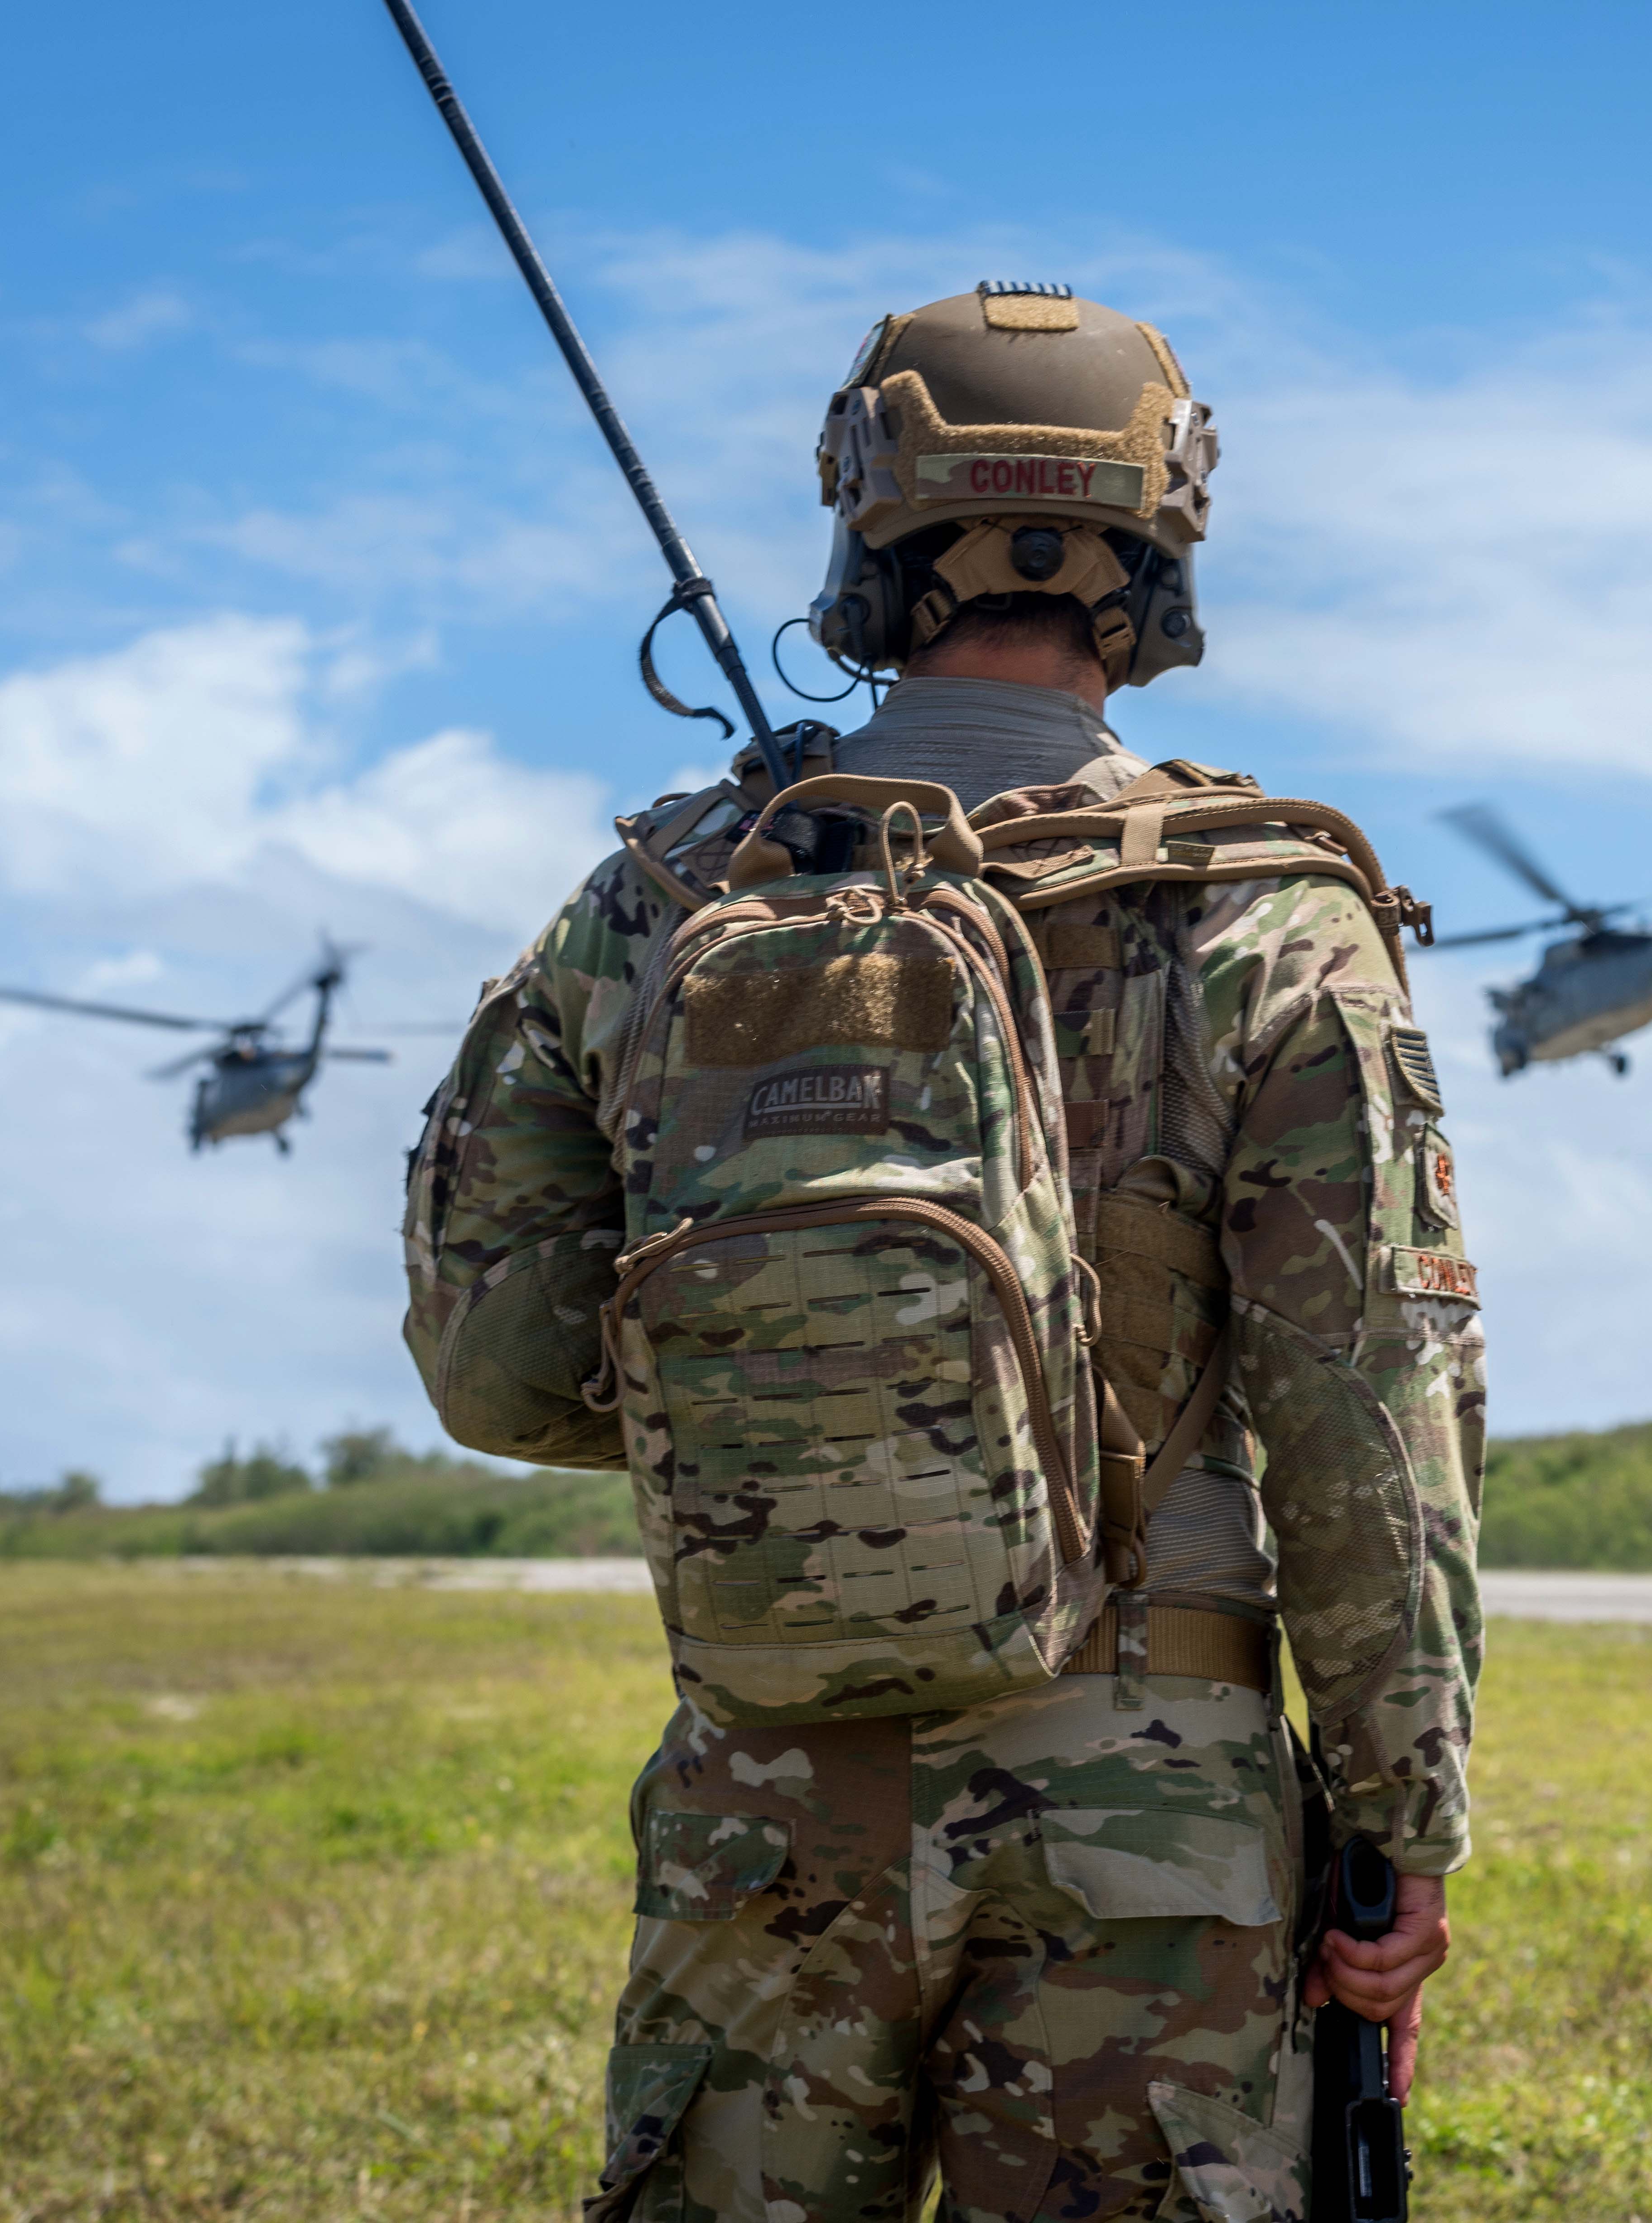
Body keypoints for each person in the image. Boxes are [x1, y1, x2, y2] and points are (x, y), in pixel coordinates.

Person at [400, 283, 1484, 2223]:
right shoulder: (1272, 915)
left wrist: (820, 1421)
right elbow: (1363, 1426)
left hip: (769, 1781)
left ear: (867, 518)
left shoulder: (665, 891)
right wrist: (1401, 1821)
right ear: (1160, 537)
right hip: (1151, 1811)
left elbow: (494, 1356)